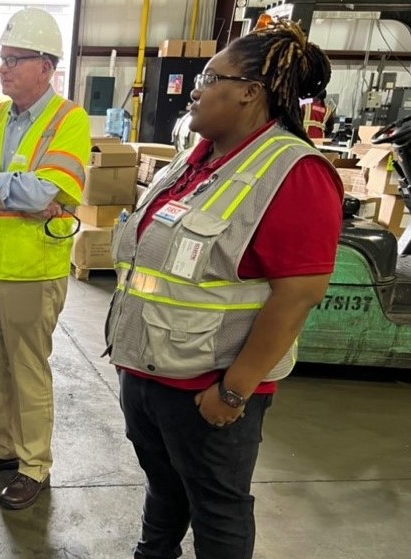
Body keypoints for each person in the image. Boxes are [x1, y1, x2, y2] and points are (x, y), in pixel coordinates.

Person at [106, 20, 342, 559]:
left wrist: (235, 390)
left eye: (210, 77)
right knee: (164, 490)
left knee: (217, 507)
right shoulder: (197, 160)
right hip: (149, 369)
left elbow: (297, 296)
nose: (195, 87)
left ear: (250, 92)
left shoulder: (295, 173)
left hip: (209, 386)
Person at [0, 7, 90, 510]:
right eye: (2, 58)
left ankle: (34, 465)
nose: (4, 68)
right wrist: (14, 194)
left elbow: (43, 193)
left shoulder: (68, 121)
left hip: (33, 270)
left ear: (45, 67)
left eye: (15, 59)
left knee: (28, 370)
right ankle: (4, 448)